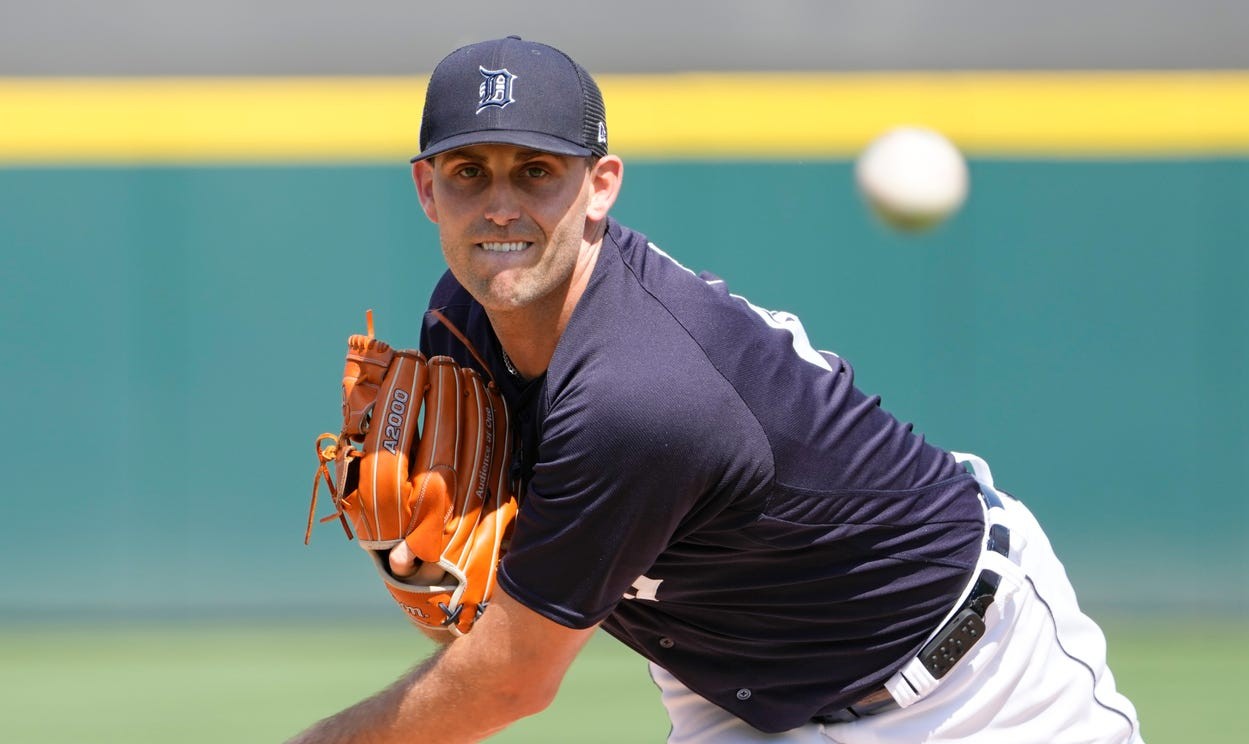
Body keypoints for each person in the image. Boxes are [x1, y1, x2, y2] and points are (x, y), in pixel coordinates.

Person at [290, 36, 1143, 744]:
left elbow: (510, 681)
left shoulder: (637, 395)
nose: (500, 206)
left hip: (971, 689)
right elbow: (485, 602)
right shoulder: (461, 318)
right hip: (738, 680)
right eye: (469, 171)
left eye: (537, 171)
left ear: (601, 185)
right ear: (426, 189)